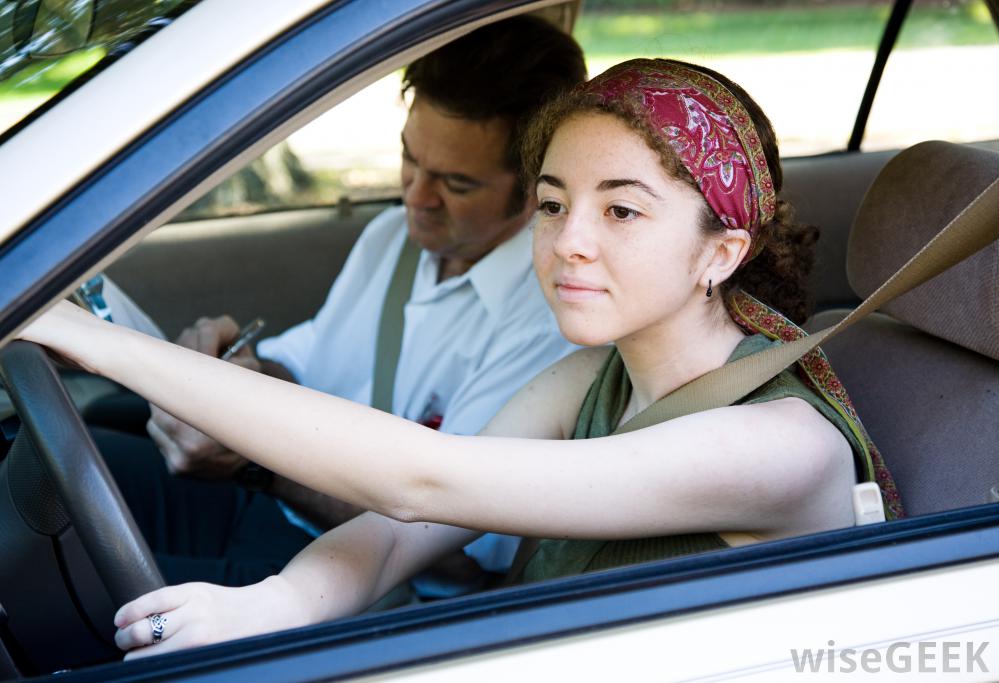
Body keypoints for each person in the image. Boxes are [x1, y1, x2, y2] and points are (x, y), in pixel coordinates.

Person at [17, 57, 903, 658]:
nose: (568, 245)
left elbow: (424, 480)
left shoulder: (779, 444)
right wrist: (267, 606)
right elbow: (405, 528)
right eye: (552, 206)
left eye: (621, 211)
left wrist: (91, 337)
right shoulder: (595, 375)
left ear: (721, 253)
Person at [92, 15, 588, 589]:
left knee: (72, 588)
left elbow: (458, 550)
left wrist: (255, 460)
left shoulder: (546, 317)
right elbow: (303, 365)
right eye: (410, 160)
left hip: (373, 587)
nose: (416, 197)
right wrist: (235, 365)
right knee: (61, 478)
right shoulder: (389, 240)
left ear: (535, 187)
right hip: (272, 515)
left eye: (456, 183)